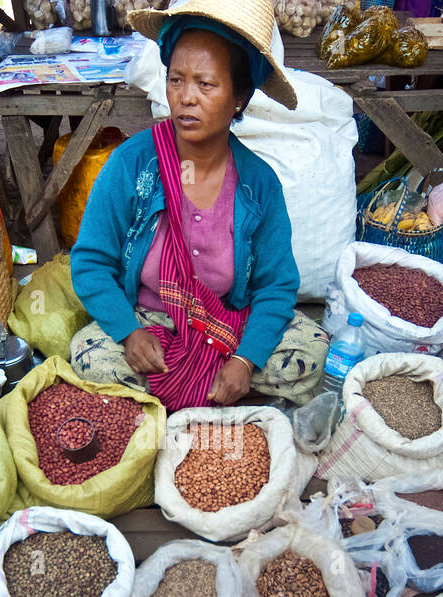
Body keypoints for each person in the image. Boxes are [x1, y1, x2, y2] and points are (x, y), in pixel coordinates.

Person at [68, 0, 329, 411]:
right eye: (176, 80)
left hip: (228, 322)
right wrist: (129, 333)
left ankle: (187, 392)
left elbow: (276, 286)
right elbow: (90, 262)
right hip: (151, 324)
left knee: (311, 348)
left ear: (239, 97)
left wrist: (245, 359)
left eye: (205, 85)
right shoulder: (132, 164)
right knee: (89, 354)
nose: (186, 98)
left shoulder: (258, 184)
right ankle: (212, 393)